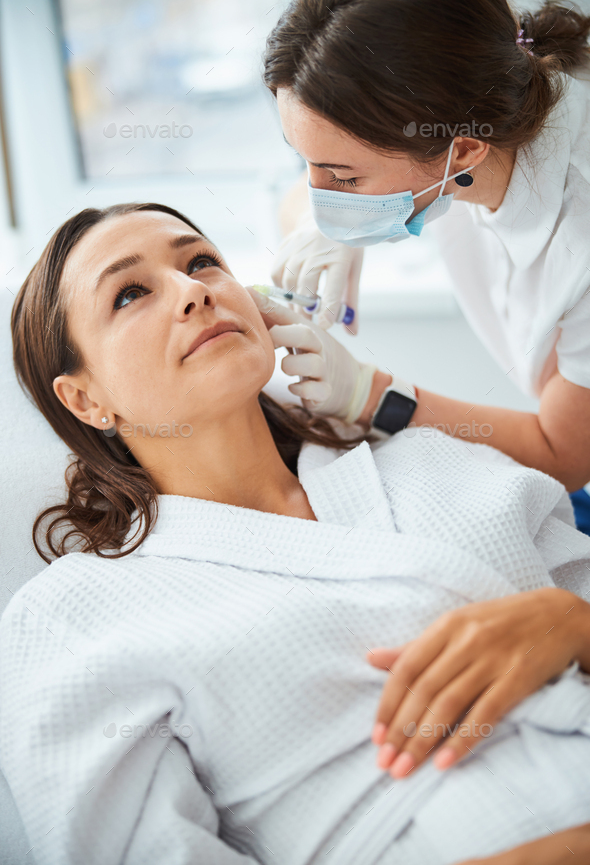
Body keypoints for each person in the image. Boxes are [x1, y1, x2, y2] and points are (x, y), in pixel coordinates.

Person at [2, 201, 590, 865]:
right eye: (131, 292)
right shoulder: (71, 615)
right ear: (84, 399)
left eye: (202, 262)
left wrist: (574, 623)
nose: (194, 291)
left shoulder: (433, 459)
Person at [259, 0, 590, 536]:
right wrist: (332, 229)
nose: (319, 193)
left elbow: (566, 452)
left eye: (342, 177)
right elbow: (315, 180)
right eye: (305, 161)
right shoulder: (470, 97)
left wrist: (372, 397)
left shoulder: (578, 237)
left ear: (462, 149)